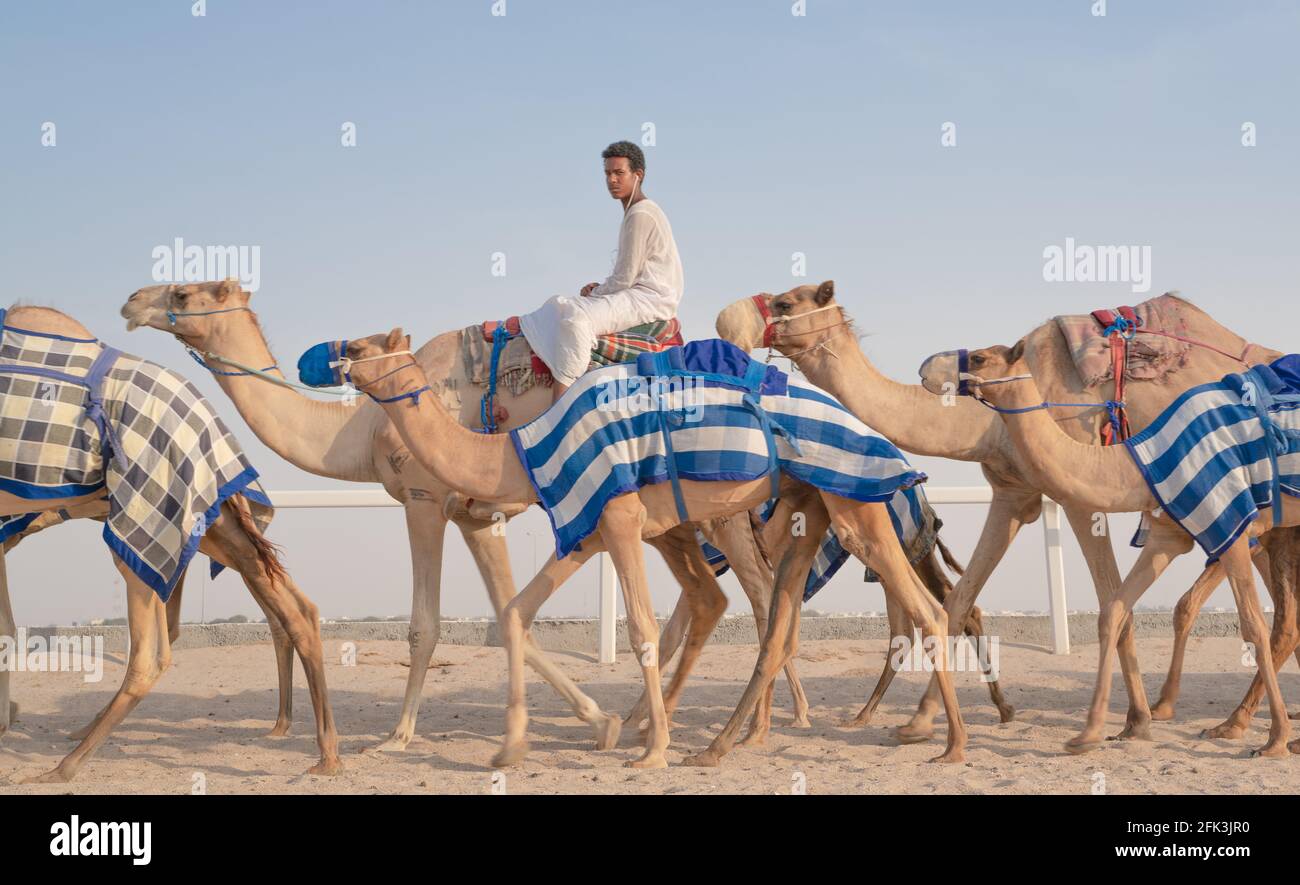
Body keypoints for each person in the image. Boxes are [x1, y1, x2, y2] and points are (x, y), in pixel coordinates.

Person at [519, 140, 684, 398]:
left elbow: (625, 277)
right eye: (608, 173)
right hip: (639, 294)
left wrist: (596, 293)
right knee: (560, 306)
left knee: (575, 319)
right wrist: (599, 289)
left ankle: (563, 406)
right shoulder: (637, 212)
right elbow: (624, 275)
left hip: (648, 299)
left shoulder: (641, 214)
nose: (612, 180)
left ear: (637, 175)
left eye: (619, 173)